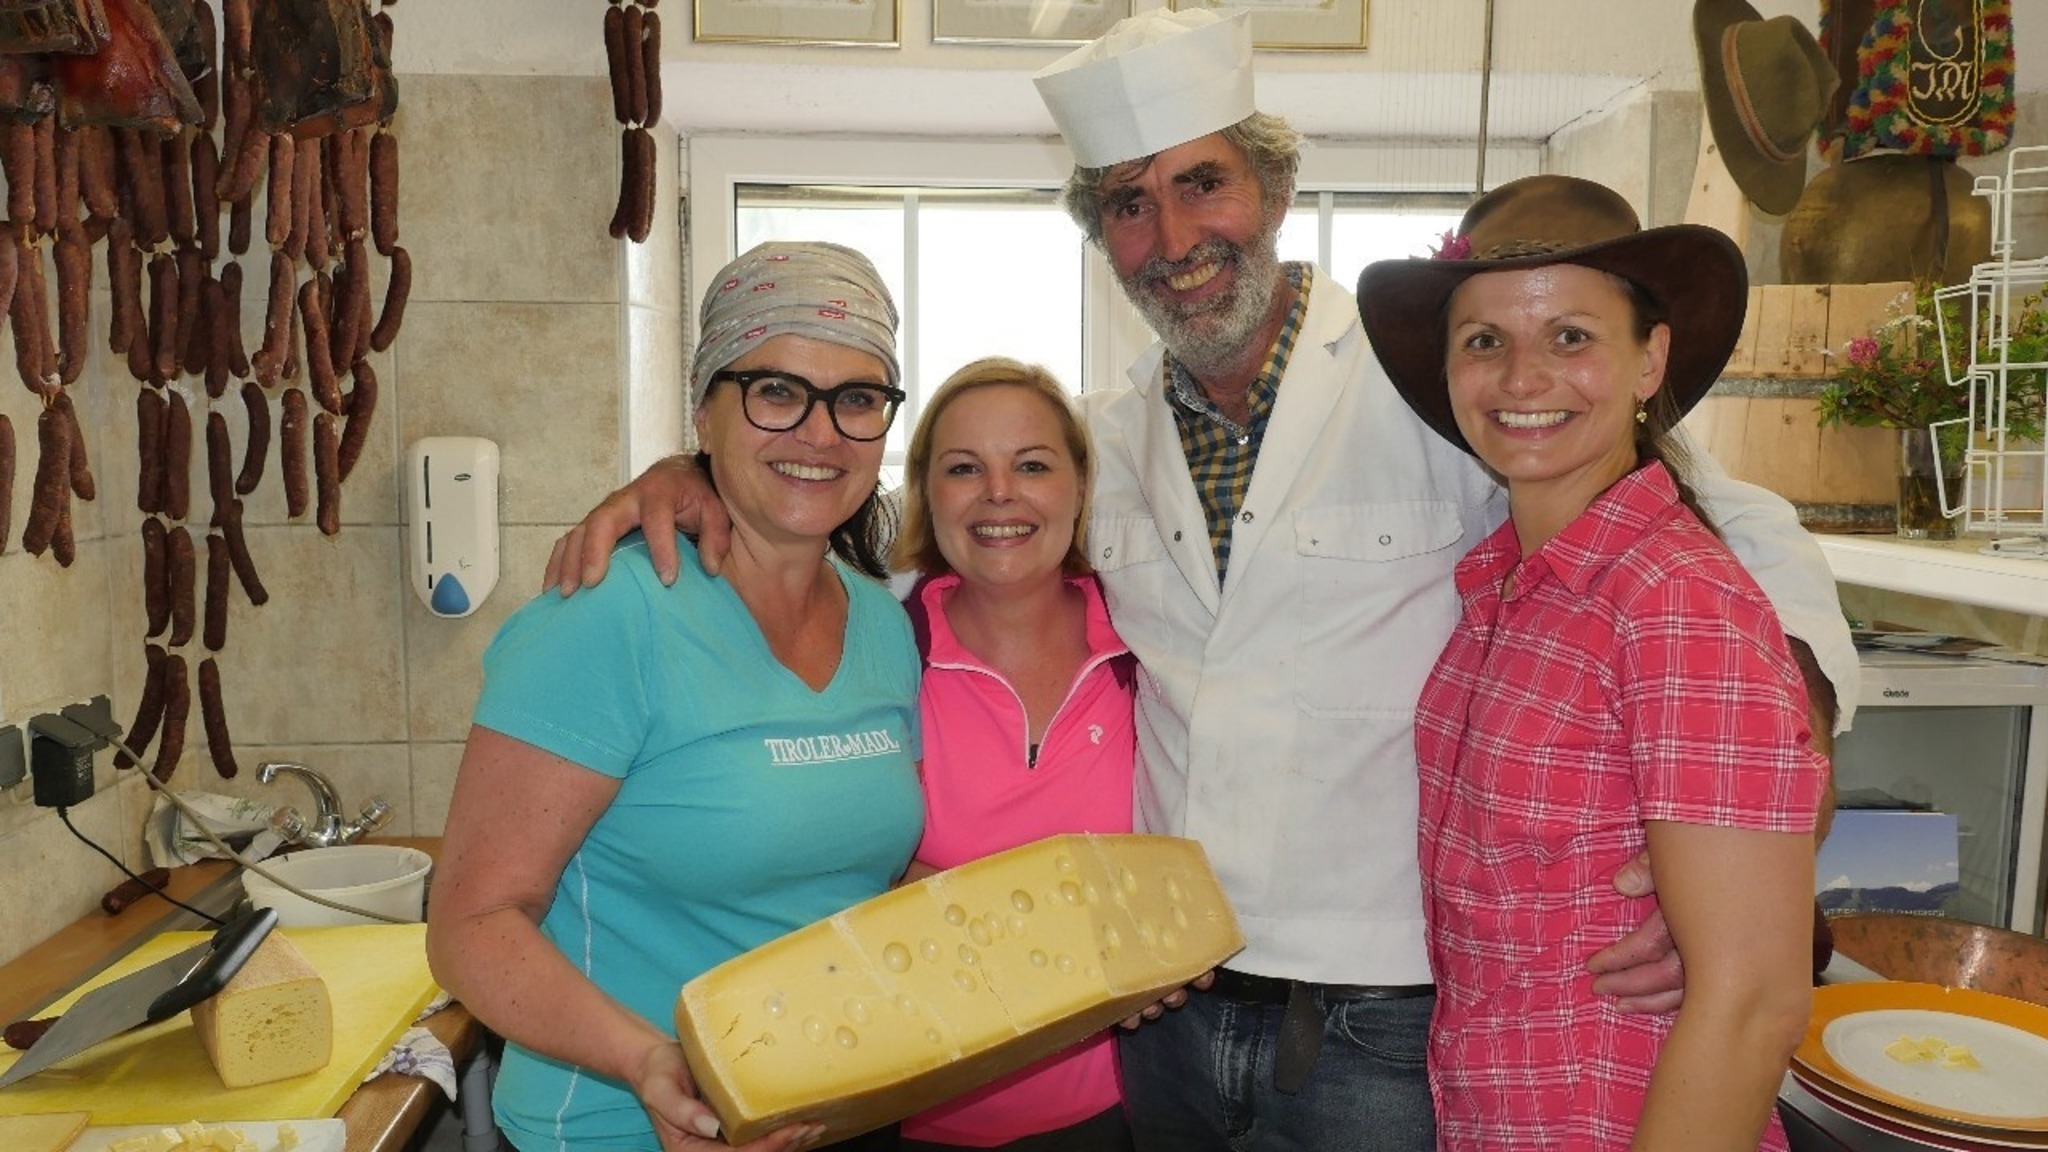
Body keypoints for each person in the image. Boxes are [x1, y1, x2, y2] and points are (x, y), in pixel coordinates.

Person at [540, 11, 1857, 1150]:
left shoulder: (1442, 386)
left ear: (1271, 190)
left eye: (1202, 184)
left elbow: (1731, 543)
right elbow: (912, 523)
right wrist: (692, 478)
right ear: (1100, 237)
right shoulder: (1094, 449)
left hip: (1383, 1018)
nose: (1172, 235)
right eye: (1127, 203)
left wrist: (1755, 849)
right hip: (1163, 1011)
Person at [1357, 174, 1825, 1150]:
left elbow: (1754, 1000)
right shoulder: (1501, 590)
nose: (1522, 378)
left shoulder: (1674, 598)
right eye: (1484, 341)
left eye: (1569, 336)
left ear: (1649, 359)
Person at [426, 242, 922, 1152]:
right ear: (703, 410)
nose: (821, 434)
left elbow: (853, 881)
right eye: (777, 391)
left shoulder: (884, 627)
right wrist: (649, 1061)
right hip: (631, 1123)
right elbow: (471, 926)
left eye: (857, 399)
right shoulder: (606, 616)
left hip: (834, 1115)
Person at [892, 357, 1139, 1151]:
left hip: (1126, 1115)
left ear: (1080, 485)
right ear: (926, 491)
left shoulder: (1153, 646)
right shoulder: (875, 653)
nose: (1000, 493)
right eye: (965, 468)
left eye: (1032, 465)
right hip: (906, 1111)